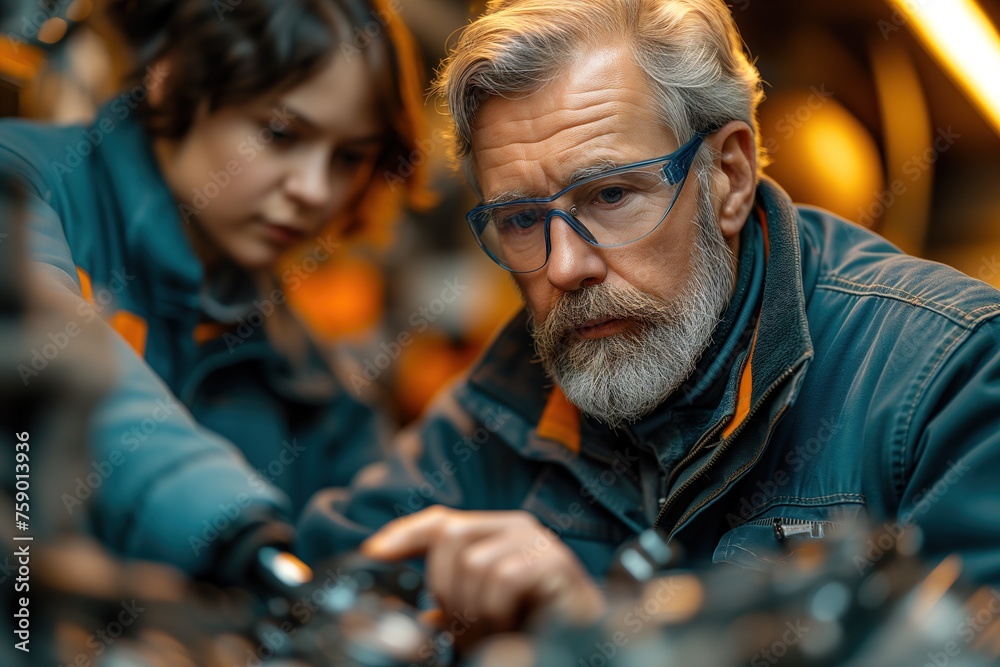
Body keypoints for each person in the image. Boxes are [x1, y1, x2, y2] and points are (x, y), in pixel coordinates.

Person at [297, 0, 1000, 640]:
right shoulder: (507, 407)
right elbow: (312, 594)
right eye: (520, 219)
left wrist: (594, 635)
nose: (565, 267)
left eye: (609, 195)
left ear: (727, 176)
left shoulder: (950, 380)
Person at [1, 0, 426, 578]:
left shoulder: (314, 389)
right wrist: (241, 539)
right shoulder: (22, 185)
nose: (313, 188)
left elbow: (379, 554)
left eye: (349, 157)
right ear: (173, 76)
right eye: (280, 133)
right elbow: (60, 359)